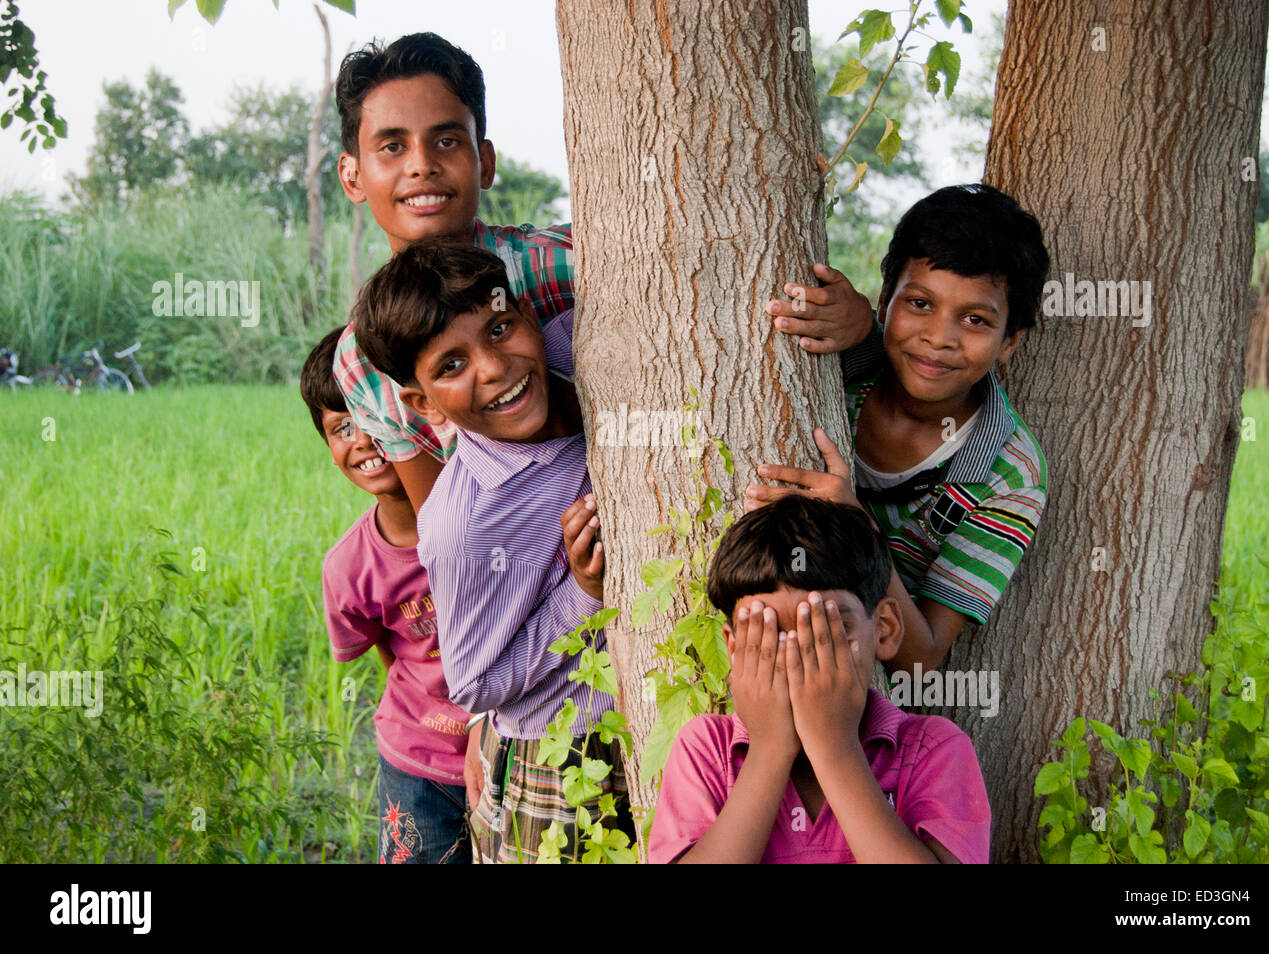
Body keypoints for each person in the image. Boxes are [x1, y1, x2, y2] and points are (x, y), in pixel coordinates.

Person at [327, 30, 874, 810]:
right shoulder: (361, 363)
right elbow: (449, 536)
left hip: (653, 576)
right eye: (392, 147)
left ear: (484, 160)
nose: (421, 164)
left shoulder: (562, 265)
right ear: (353, 174)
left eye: (445, 140)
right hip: (543, 653)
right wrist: (492, 711)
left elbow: (716, 285)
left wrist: (854, 325)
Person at [351, 239, 625, 863]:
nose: (494, 367)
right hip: (564, 758)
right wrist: (581, 595)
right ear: (421, 404)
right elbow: (475, 683)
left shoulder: (576, 347)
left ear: (530, 315)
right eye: (450, 366)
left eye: (501, 329)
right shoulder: (464, 524)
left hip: (656, 716)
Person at [747, 184, 1051, 674]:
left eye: (974, 319)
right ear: (885, 298)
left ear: (1010, 341)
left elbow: (921, 657)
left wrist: (853, 527)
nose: (939, 338)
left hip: (855, 683)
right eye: (920, 304)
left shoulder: (1009, 475)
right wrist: (860, 324)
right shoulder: (845, 366)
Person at [648, 494, 991, 864]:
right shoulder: (709, 750)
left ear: (885, 630)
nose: (798, 658)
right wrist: (769, 751)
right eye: (767, 635)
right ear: (733, 650)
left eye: (828, 631)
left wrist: (835, 747)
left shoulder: (930, 749)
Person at [301, 327, 472, 864]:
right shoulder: (349, 567)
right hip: (417, 763)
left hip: (513, 747)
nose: (362, 439)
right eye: (341, 428)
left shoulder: (479, 520)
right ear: (329, 449)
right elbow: (389, 654)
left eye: (371, 417)